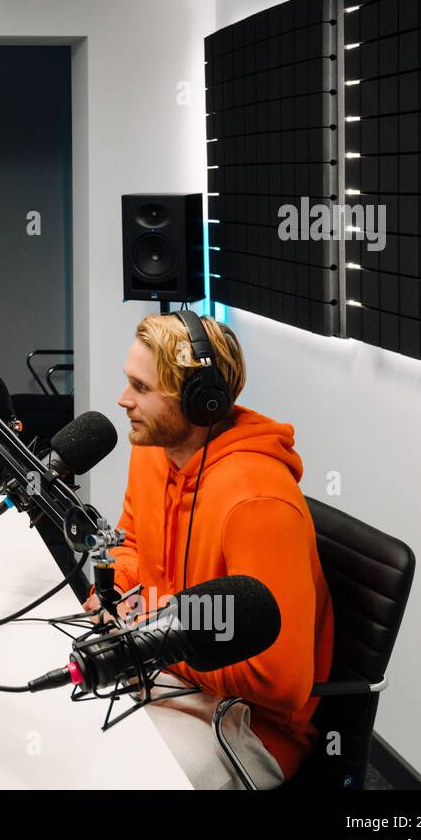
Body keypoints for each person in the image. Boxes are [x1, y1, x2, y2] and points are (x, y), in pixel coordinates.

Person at [84, 311, 334, 789]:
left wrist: (149, 640)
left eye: (141, 388)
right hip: (170, 675)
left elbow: (280, 682)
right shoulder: (152, 452)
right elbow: (134, 543)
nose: (123, 400)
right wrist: (114, 589)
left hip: (246, 725)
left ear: (200, 403)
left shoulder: (258, 503)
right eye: (127, 381)